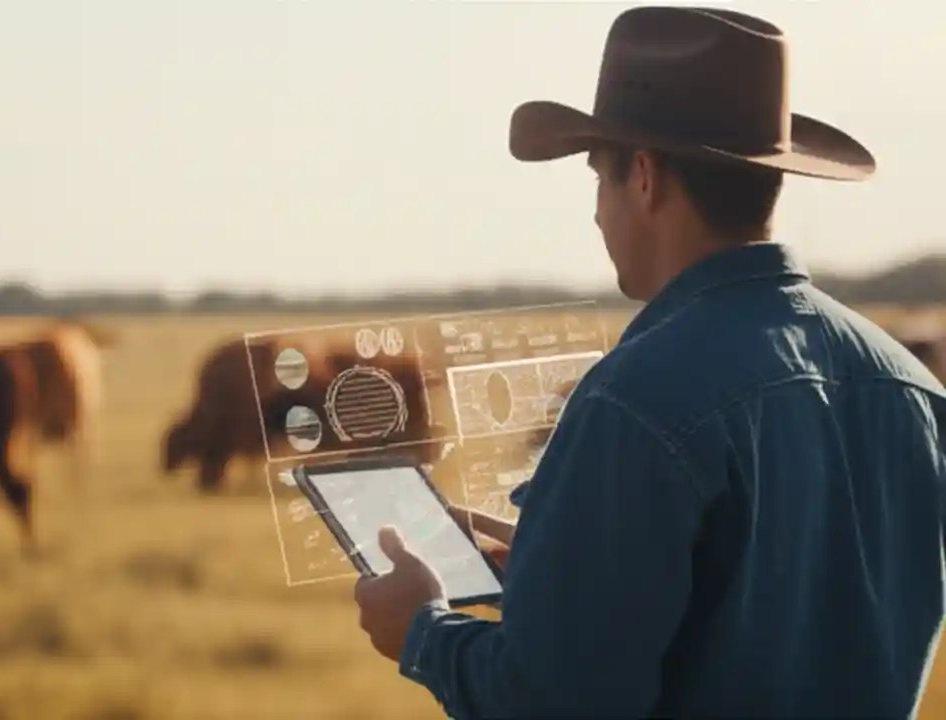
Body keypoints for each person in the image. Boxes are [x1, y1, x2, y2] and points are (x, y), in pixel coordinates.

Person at [352, 6, 946, 718]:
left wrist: (422, 632)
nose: (597, 215)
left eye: (596, 181)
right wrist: (558, 570)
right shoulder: (912, 388)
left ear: (642, 177)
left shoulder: (636, 398)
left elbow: (553, 703)